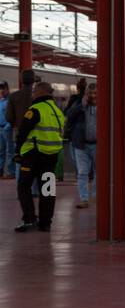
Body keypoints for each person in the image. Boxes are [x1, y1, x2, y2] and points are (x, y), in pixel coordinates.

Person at [13, 82, 66, 233]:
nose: (32, 94)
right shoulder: (57, 111)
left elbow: (23, 132)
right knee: (48, 189)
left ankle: (29, 220)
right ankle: (45, 223)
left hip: (33, 155)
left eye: (34, 91)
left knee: (23, 186)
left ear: (40, 92)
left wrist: (17, 152)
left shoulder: (35, 109)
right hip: (52, 156)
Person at [63, 81, 98, 209]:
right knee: (82, 172)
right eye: (90, 93)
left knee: (98, 172)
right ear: (85, 94)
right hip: (81, 144)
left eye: (95, 93)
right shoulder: (79, 104)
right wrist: (81, 106)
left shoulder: (106, 105)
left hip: (98, 145)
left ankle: (95, 196)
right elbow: (68, 116)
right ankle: (84, 199)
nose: (93, 96)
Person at [0, 82, 12, 179]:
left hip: (6, 129)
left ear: (7, 89)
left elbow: (12, 115)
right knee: (1, 151)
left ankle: (10, 172)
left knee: (9, 151)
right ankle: (0, 171)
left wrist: (8, 126)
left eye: (3, 88)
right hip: (0, 128)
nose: (2, 90)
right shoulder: (0, 101)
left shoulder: (9, 101)